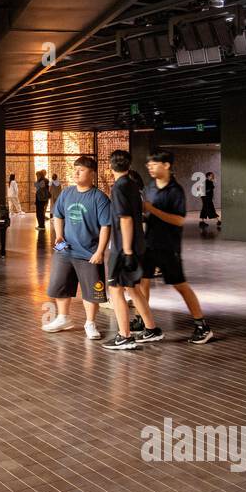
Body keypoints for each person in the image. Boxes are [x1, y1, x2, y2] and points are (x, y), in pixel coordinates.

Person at [136, 150, 212, 344]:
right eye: (148, 165)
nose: (150, 167)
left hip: (168, 246)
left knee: (180, 285)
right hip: (149, 243)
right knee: (143, 281)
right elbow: (148, 214)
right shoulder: (151, 187)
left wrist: (152, 209)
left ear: (166, 165)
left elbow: (178, 220)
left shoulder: (175, 190)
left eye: (154, 164)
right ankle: (143, 321)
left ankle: (202, 326)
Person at [42, 156, 110, 340]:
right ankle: (63, 318)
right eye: (75, 169)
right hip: (65, 251)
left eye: (81, 169)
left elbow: (106, 226)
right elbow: (58, 215)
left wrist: (100, 251)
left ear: (92, 173)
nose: (76, 172)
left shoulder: (99, 198)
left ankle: (90, 323)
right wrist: (58, 235)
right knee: (60, 285)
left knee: (91, 291)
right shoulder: (66, 193)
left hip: (89, 253)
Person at [102, 150, 160, 351]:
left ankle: (124, 336)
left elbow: (125, 219)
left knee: (116, 290)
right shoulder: (133, 184)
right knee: (133, 289)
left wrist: (126, 250)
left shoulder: (119, 187)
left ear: (110, 166)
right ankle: (151, 328)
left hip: (124, 248)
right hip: (137, 245)